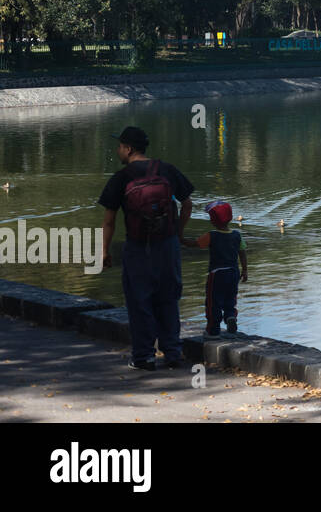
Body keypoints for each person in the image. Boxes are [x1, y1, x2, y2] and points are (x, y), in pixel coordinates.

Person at [98, 126, 194, 371]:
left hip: (138, 248)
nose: (118, 149)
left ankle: (144, 357)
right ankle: (173, 353)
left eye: (120, 145)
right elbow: (187, 204)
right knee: (169, 298)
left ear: (128, 149)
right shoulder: (167, 169)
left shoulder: (122, 178)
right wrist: (178, 233)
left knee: (140, 302)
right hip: (168, 245)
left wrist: (104, 252)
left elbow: (109, 221)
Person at [183, 201, 247, 337]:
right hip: (233, 272)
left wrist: (180, 239)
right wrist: (245, 270)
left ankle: (213, 330)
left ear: (213, 220)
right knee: (230, 299)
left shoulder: (211, 235)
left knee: (214, 301)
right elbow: (242, 252)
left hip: (217, 274)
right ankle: (231, 317)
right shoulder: (237, 235)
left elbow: (194, 244)